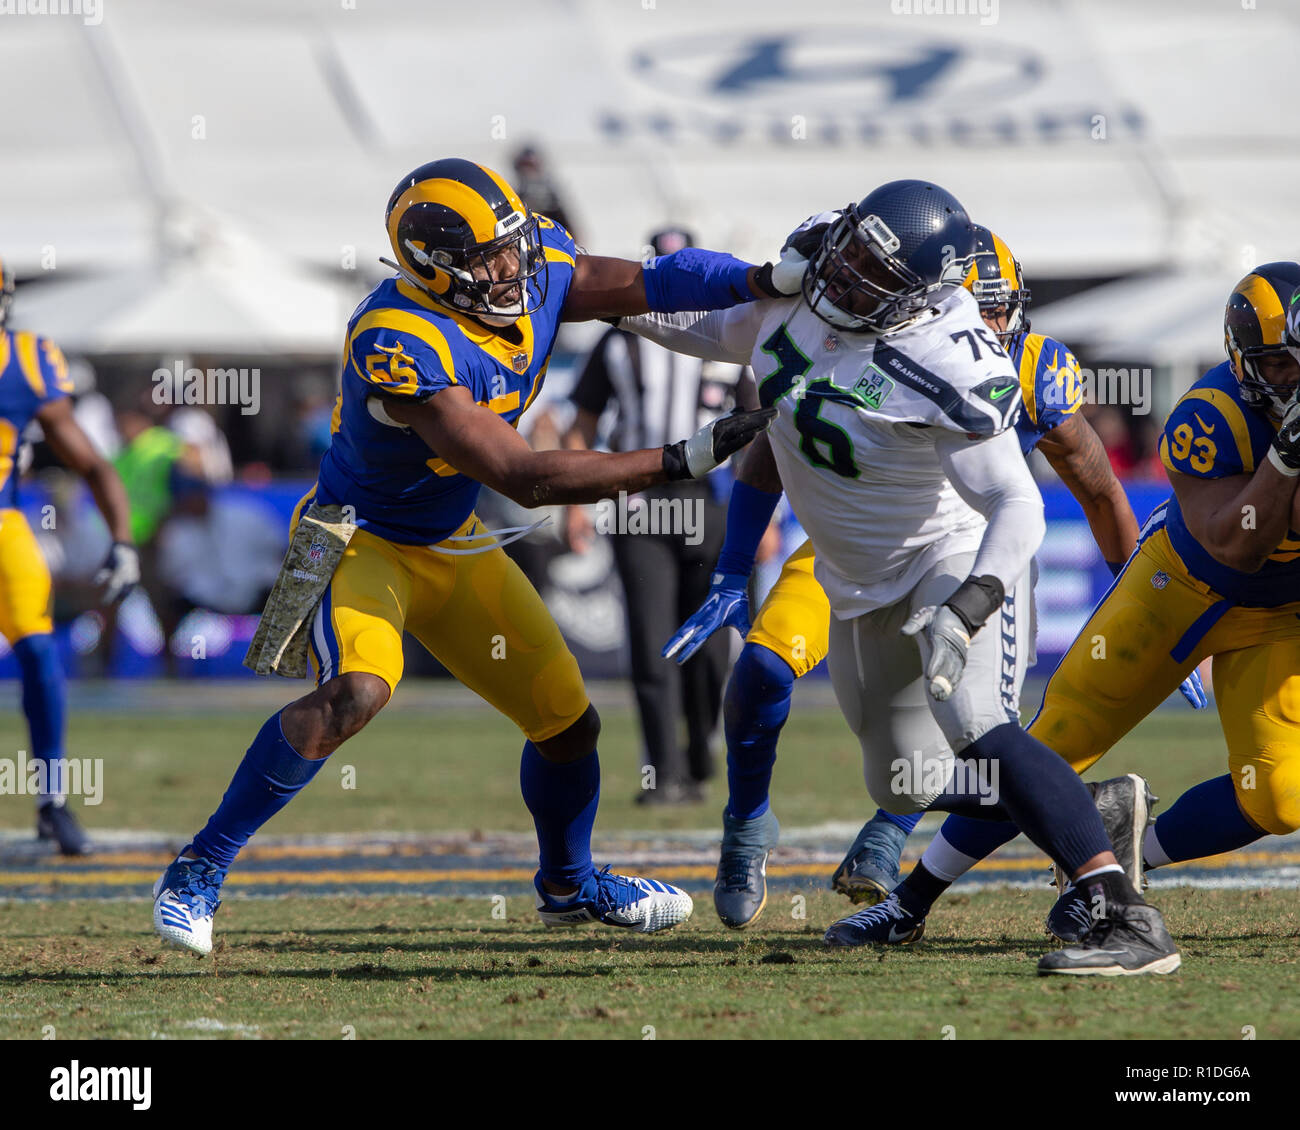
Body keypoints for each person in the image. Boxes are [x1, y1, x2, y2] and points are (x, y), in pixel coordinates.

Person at [151, 157, 791, 955]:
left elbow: (651, 282)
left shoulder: (533, 263)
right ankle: (197, 866)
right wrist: (680, 460)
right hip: (364, 540)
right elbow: (524, 476)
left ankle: (568, 886)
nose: (509, 268)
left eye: (512, 248)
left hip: (452, 542)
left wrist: (765, 276)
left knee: (567, 725)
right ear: (430, 270)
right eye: (486, 258)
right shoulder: (397, 340)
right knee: (358, 691)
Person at [624, 181, 1181, 975]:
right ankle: (1092, 810)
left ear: (921, 297)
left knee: (977, 718)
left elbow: (1016, 500)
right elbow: (676, 308)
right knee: (905, 781)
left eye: (873, 274)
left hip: (943, 556)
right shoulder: (803, 284)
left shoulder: (948, 354)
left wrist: (971, 600)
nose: (845, 277)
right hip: (853, 577)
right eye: (848, 253)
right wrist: (568, 288)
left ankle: (1124, 917)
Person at [868, 262, 1300, 951]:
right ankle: (909, 901)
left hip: (1281, 614)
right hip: (1180, 588)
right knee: (1056, 742)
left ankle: (1128, 860)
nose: (1293, 381)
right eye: (1280, 365)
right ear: (1245, 361)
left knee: (1280, 795)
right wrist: (1286, 456)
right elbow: (1233, 544)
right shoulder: (1207, 416)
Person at [564, 227, 752, 805]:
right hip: (640, 500)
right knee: (650, 645)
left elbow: (759, 434)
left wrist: (761, 515)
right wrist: (575, 504)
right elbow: (585, 423)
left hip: (711, 501)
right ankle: (662, 773)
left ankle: (699, 757)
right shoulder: (620, 337)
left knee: (709, 646)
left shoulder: (731, 337)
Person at [0, 255, 139, 854]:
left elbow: (91, 462)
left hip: (3, 525)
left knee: (37, 648)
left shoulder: (28, 361)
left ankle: (52, 799)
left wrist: (124, 541)